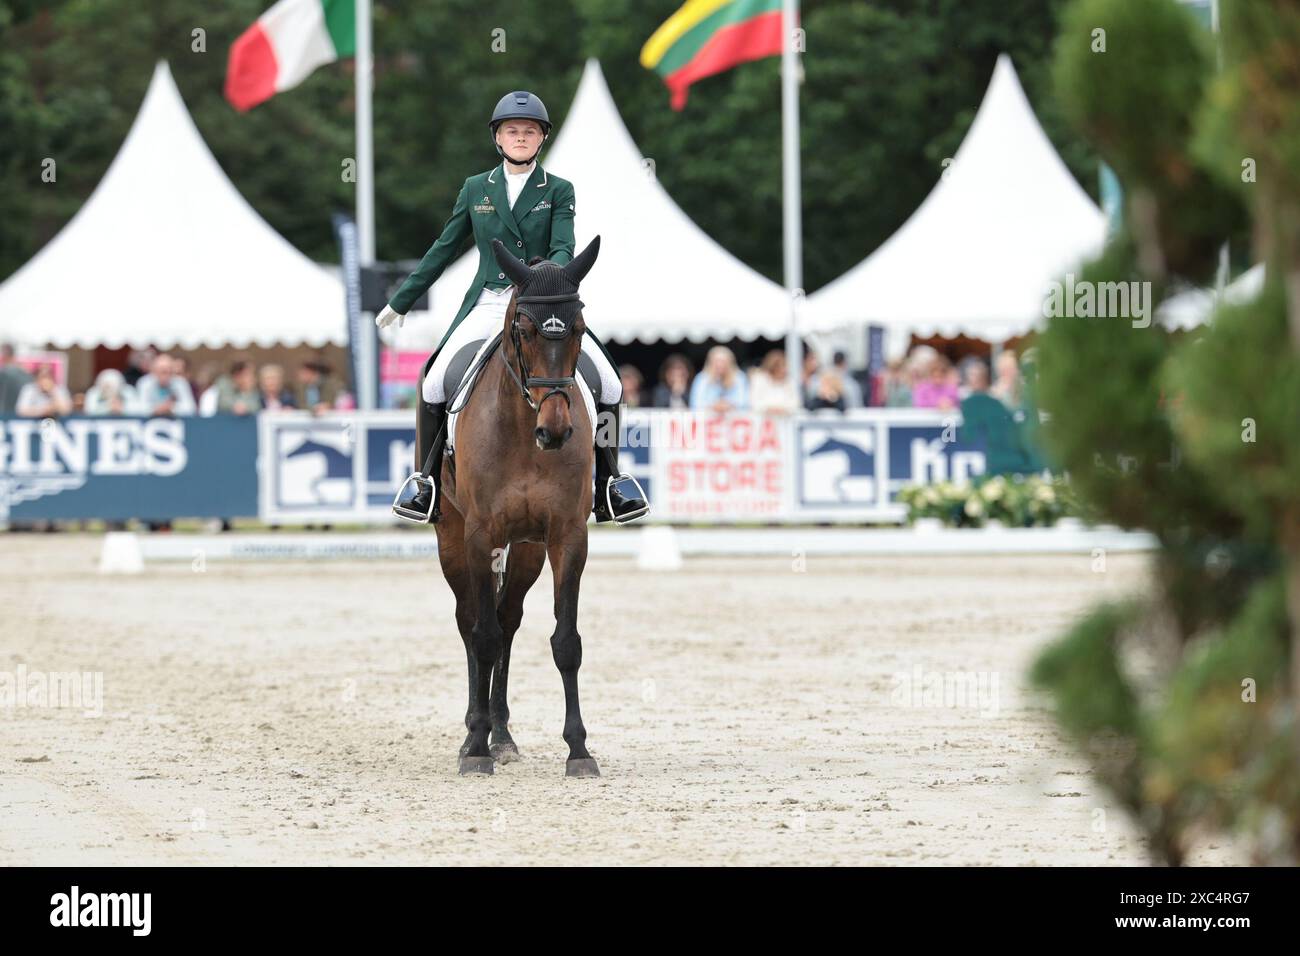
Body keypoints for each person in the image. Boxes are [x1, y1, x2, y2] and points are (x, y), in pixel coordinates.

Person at [374, 90, 647, 525]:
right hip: (489, 300)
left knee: (610, 384)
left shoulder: (558, 189)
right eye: (512, 131)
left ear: (542, 139)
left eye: (529, 131)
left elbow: (563, 248)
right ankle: (424, 481)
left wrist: (540, 282)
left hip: (543, 301)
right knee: (432, 381)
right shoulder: (475, 189)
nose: (520, 137)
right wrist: (402, 300)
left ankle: (610, 483)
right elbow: (444, 248)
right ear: (498, 138)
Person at [689, 346, 748, 412]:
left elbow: (744, 403)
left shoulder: (739, 378)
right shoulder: (702, 378)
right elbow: (695, 404)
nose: (719, 364)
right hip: (707, 419)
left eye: (723, 361)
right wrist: (713, 406)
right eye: (717, 361)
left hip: (734, 418)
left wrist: (729, 405)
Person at [748, 349, 800, 415]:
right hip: (763, 421)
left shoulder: (789, 381)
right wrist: (769, 409)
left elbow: (796, 403)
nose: (785, 369)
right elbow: (754, 402)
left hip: (785, 421)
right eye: (781, 366)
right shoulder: (759, 379)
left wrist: (782, 409)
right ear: (773, 367)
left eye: (784, 365)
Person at [0, 344, 33, 415]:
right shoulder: (25, 372)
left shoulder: (4, 372)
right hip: (23, 417)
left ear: (4, 356)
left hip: (6, 416)